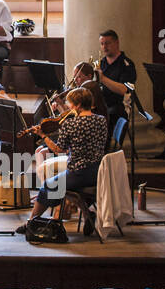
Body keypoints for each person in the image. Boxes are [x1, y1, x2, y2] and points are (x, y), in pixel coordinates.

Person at [18, 87, 108, 233]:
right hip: (98, 171)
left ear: (78, 105)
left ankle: (30, 223)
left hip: (79, 173)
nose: (69, 107)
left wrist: (42, 135)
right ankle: (87, 214)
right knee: (69, 187)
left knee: (48, 185)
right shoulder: (101, 120)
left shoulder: (71, 124)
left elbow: (58, 150)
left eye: (71, 104)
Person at [94, 29, 137, 130]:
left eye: (108, 43)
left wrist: (103, 78)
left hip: (119, 106)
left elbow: (123, 90)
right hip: (102, 105)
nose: (104, 47)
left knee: (105, 118)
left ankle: (104, 145)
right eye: (102, 44)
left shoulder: (126, 64)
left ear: (117, 43)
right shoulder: (101, 63)